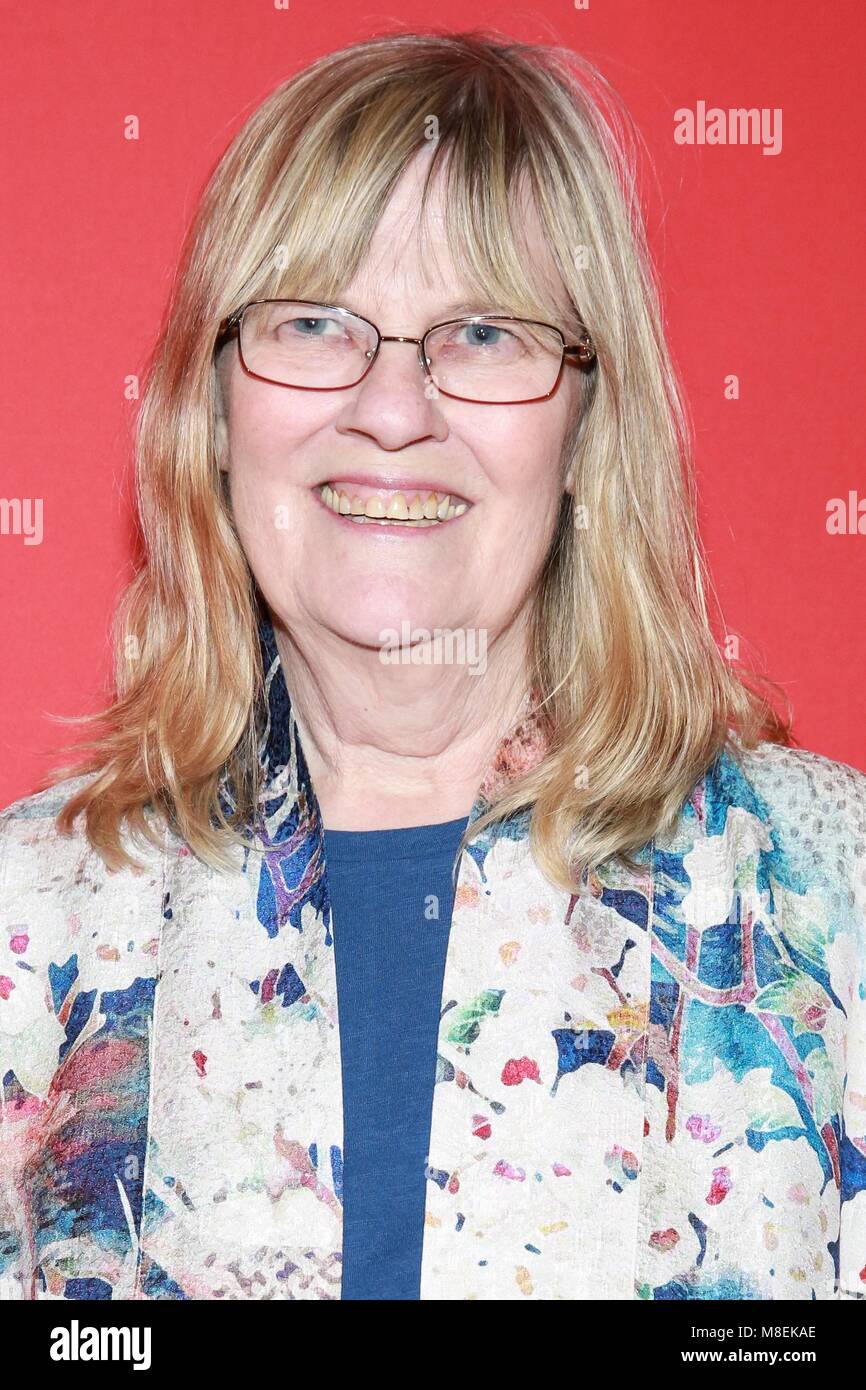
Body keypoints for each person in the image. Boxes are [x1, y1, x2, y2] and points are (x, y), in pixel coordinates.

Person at [1, 29, 864, 1303]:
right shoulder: (31, 924)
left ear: (584, 428)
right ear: (213, 409)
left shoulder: (832, 895)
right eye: (312, 322)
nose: (393, 410)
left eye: (481, 333)